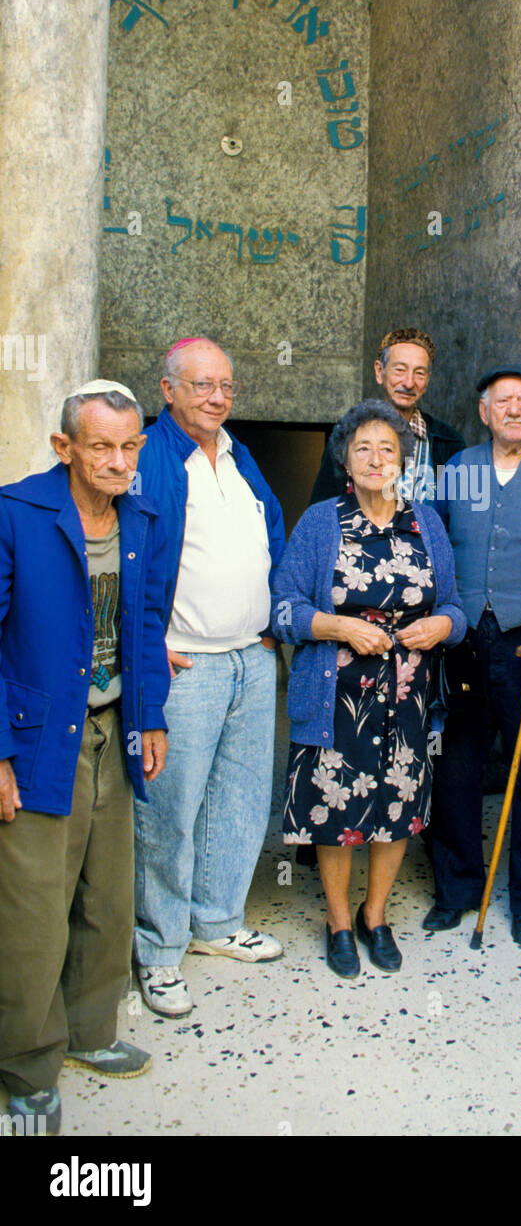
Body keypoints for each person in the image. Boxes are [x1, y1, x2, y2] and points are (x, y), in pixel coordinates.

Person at [0, 380, 169, 1136]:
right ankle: (27, 1070)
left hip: (112, 731)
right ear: (64, 447)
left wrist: (151, 714)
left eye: (129, 445)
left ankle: (90, 1032)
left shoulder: (142, 515)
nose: (117, 461)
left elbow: (147, 622)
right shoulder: (16, 513)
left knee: (107, 898)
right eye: (99, 445)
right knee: (33, 914)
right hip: (39, 739)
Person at [272, 399, 466, 977]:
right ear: (345, 461)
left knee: (397, 809)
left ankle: (374, 916)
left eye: (388, 449)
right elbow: (282, 609)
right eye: (364, 449)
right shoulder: (320, 523)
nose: (377, 459)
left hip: (407, 701)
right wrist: (337, 627)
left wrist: (444, 626)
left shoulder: (426, 522)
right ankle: (337, 921)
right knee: (335, 814)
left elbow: (452, 606)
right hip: (334, 698)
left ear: (404, 460)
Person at [132, 338, 286, 1019]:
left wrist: (274, 626)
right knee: (168, 813)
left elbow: (269, 538)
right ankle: (159, 950)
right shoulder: (146, 455)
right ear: (167, 390)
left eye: (226, 385)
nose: (217, 397)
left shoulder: (240, 456)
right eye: (201, 385)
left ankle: (217, 922)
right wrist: (148, 644)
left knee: (240, 800)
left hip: (250, 660)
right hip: (184, 665)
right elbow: (123, 555)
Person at [427, 365, 521, 945]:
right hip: (462, 642)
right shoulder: (458, 470)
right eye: (502, 401)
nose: (514, 409)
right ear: (484, 411)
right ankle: (457, 890)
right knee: (456, 770)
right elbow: (433, 549)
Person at [309, 328, 464, 504]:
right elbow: (322, 512)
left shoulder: (450, 443)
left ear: (427, 380)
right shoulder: (348, 435)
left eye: (419, 373)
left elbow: (457, 516)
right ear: (379, 371)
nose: (409, 382)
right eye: (400, 370)